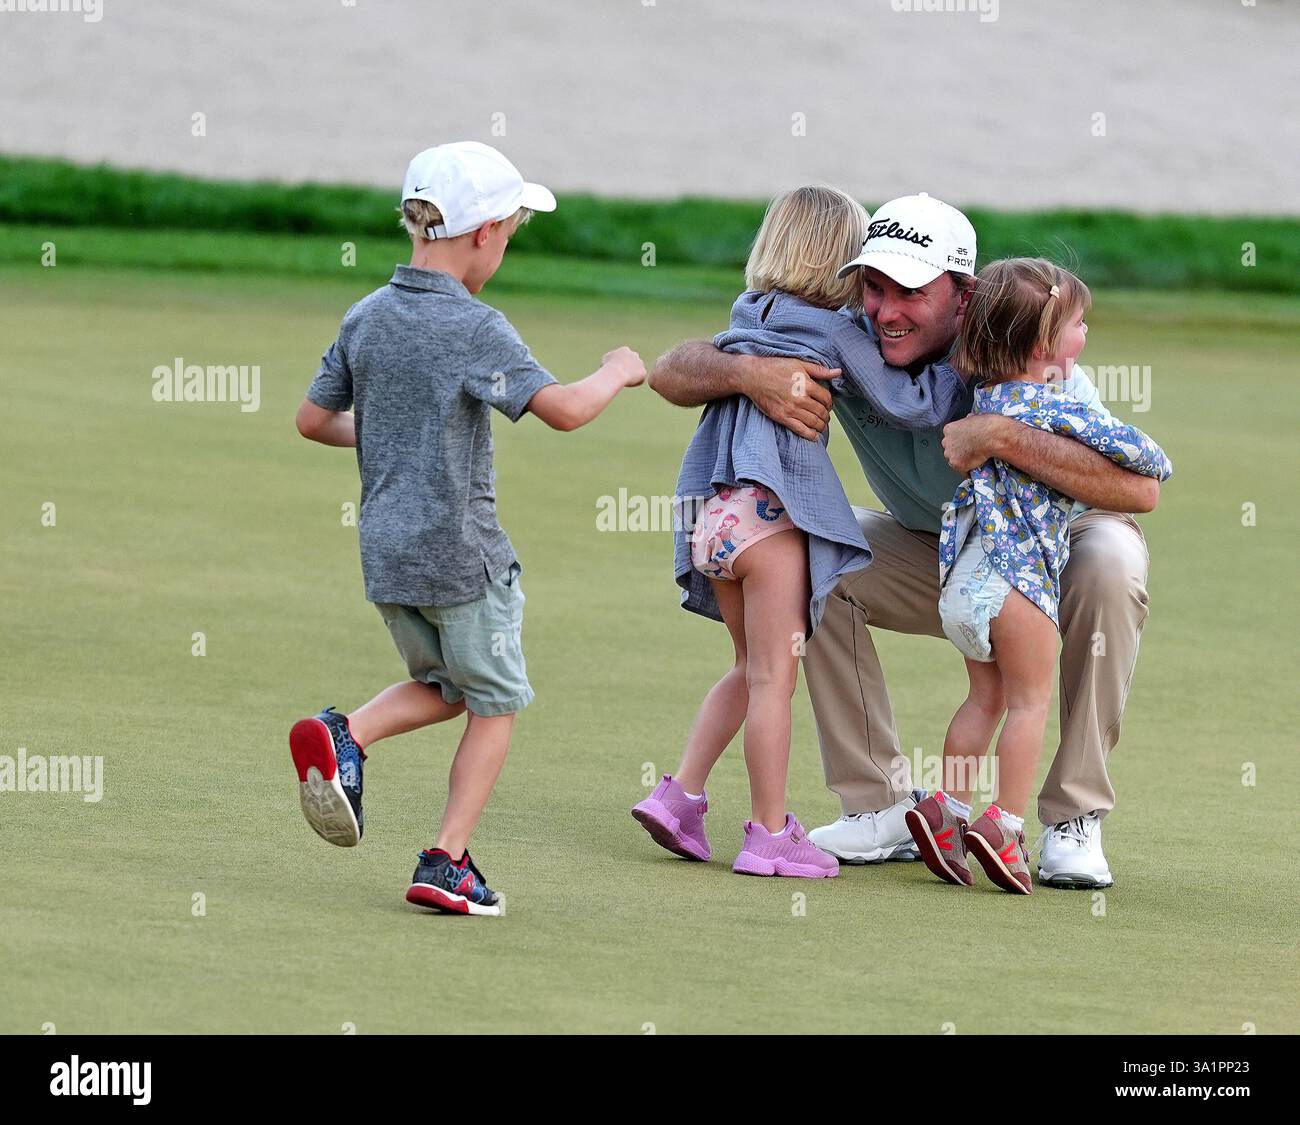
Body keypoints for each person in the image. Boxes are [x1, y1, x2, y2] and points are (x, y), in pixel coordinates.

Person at [649, 193, 1162, 888]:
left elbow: (1139, 490)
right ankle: (880, 805)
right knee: (811, 549)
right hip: (940, 549)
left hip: (1054, 550)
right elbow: (671, 368)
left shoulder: (1024, 347)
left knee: (1114, 557)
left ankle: (1073, 817)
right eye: (874, 286)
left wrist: (1006, 435)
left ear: (963, 296)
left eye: (910, 293)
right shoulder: (848, 334)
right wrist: (747, 373)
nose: (886, 310)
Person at [289, 142, 644, 916]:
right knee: (495, 702)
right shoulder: (476, 326)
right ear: (484, 232)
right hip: (463, 557)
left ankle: (344, 732)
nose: (506, 248)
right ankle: (447, 858)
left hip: (387, 557)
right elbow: (566, 410)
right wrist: (618, 369)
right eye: (511, 233)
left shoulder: (367, 315)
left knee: (445, 688)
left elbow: (313, 419)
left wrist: (391, 433)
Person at [632, 186, 969, 878]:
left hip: (716, 517)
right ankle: (769, 832)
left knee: (748, 667)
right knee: (773, 685)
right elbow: (910, 403)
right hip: (771, 520)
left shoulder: (751, 311)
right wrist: (965, 372)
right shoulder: (838, 332)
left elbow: (685, 366)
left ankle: (679, 797)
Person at [904, 259, 1172, 894]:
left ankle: (946, 808)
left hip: (963, 583)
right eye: (1078, 323)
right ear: (1044, 346)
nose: (1085, 334)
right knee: (1028, 702)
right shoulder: (1053, 404)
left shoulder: (986, 395)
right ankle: (1004, 824)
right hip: (1016, 580)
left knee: (984, 698)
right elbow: (1146, 461)